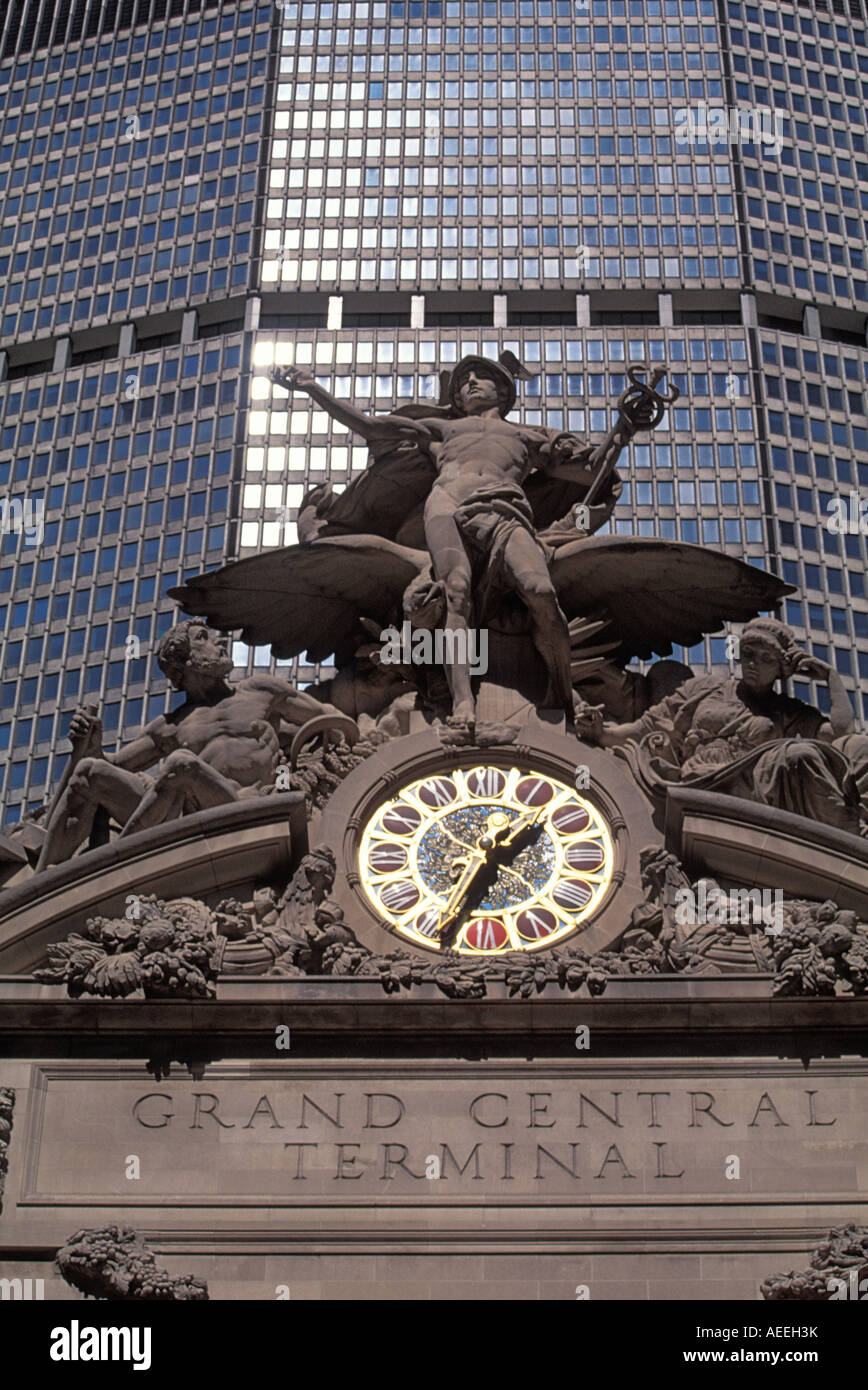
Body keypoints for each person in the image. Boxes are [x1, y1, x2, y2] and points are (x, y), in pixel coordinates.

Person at [270, 355, 658, 722]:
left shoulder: (531, 437)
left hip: (506, 511)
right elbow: (370, 427)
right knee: (455, 592)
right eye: (462, 382)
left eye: (479, 377)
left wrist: (624, 428)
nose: (469, 384)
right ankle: (462, 702)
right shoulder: (441, 429)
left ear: (503, 391)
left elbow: (592, 469)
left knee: (540, 590)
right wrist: (312, 387)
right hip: (447, 508)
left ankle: (558, 690)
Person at [35, 620, 355, 869]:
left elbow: (326, 716)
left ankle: (120, 860)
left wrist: (349, 746)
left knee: (181, 763)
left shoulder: (260, 690)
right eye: (204, 637)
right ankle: (44, 880)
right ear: (184, 661)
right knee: (88, 772)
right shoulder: (171, 725)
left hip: (246, 801)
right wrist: (87, 744)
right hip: (191, 813)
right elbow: (111, 767)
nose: (219, 641)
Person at [574, 616, 868, 834]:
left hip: (754, 785)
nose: (753, 663)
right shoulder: (705, 688)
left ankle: (848, 835)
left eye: (766, 658)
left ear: (781, 668)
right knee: (799, 754)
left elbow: (842, 734)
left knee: (807, 754)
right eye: (748, 654)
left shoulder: (787, 711)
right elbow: (646, 728)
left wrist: (831, 678)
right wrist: (602, 732)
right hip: (701, 777)